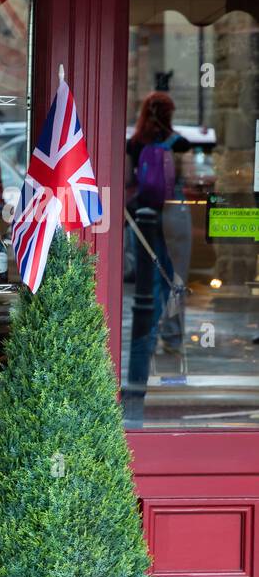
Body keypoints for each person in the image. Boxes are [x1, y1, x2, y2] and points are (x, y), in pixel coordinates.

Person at [124, 92, 191, 420]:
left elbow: (126, 183)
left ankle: (147, 341)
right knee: (176, 279)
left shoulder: (134, 143)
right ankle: (173, 337)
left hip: (144, 219)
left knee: (149, 285)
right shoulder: (179, 143)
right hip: (174, 218)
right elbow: (189, 181)